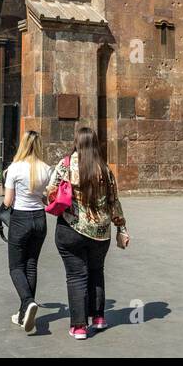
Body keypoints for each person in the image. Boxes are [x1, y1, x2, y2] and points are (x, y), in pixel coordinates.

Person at [46, 126, 130, 340]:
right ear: (95, 144)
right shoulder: (105, 169)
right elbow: (114, 202)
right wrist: (121, 228)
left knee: (76, 275)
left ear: (77, 142)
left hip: (71, 228)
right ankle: (98, 317)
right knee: (96, 271)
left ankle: (79, 326)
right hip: (100, 233)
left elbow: (51, 192)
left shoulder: (66, 164)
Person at [3, 130, 50, 333]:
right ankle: (23, 313)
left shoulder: (14, 168)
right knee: (31, 264)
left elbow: (8, 201)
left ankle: (28, 301)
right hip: (39, 219)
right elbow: (48, 198)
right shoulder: (46, 169)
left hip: (20, 218)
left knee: (16, 266)